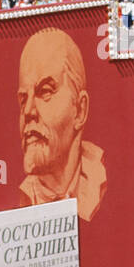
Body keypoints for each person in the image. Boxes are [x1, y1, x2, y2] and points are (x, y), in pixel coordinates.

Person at [16, 28, 106, 221]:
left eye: (45, 92)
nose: (28, 111)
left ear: (80, 110)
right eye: (23, 99)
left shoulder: (99, 181)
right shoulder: (20, 197)